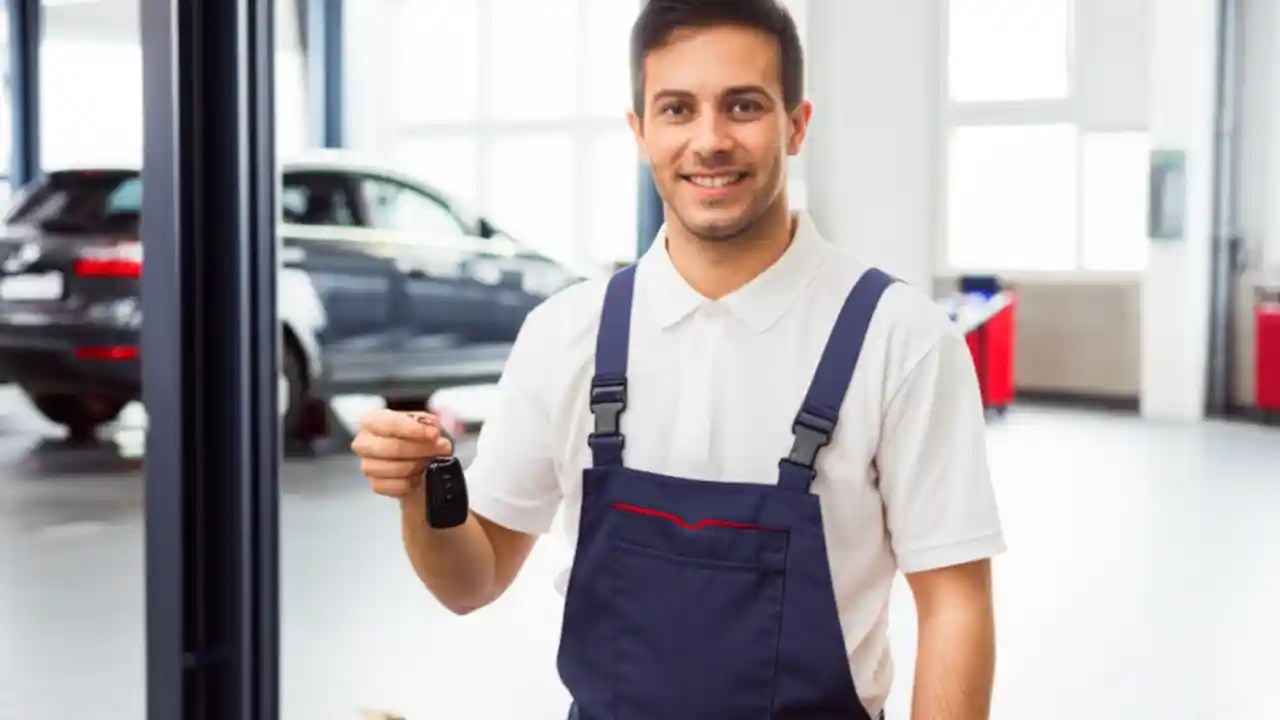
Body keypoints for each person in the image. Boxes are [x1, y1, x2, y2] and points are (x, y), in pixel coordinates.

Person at [351, 1, 1006, 717]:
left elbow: (954, 606)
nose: (710, 140)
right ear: (639, 131)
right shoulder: (566, 334)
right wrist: (420, 494)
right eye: (676, 109)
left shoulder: (899, 339)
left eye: (744, 105)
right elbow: (471, 581)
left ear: (796, 124)